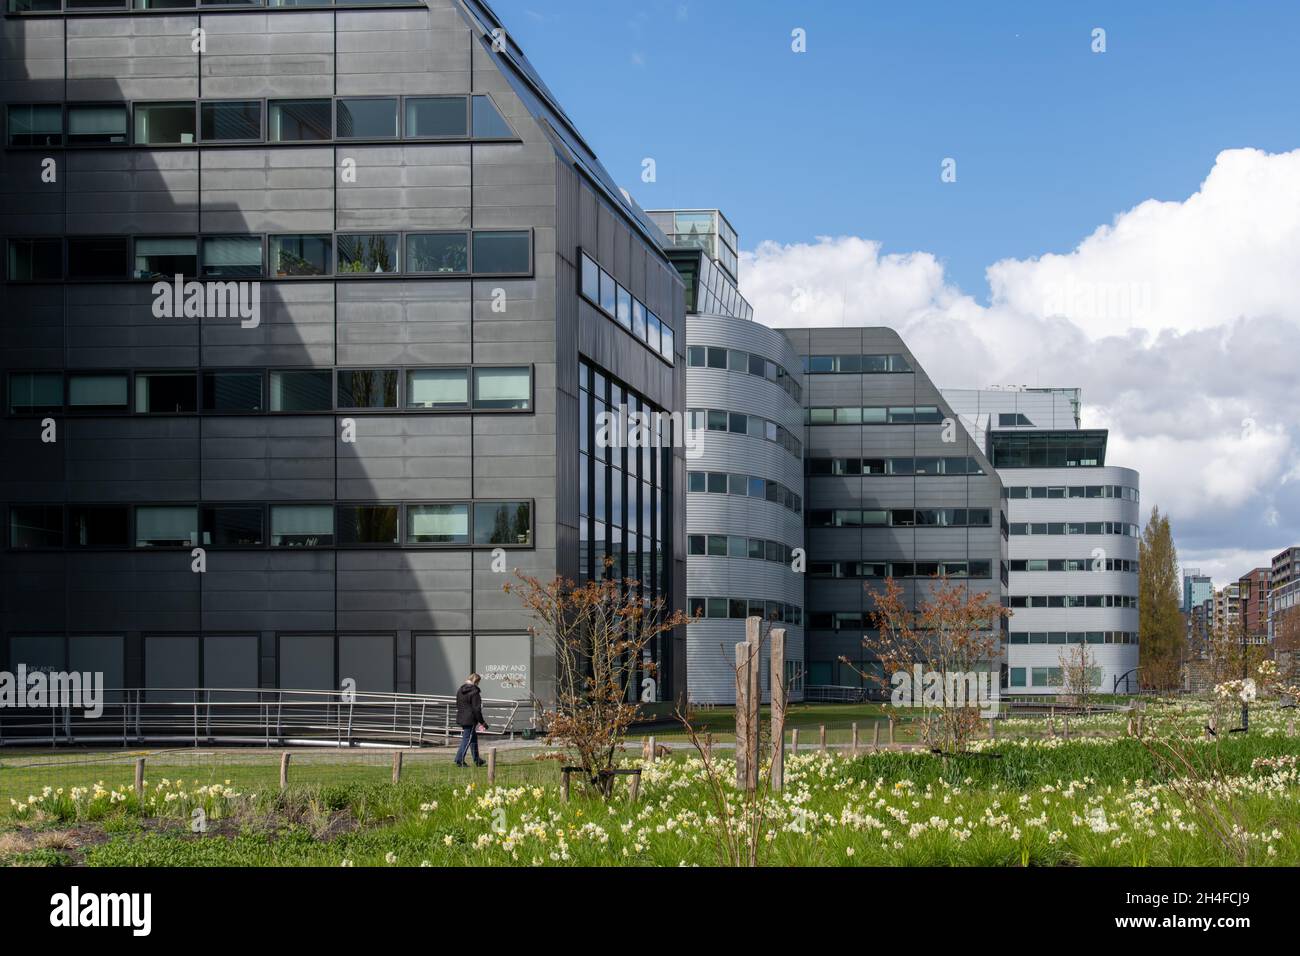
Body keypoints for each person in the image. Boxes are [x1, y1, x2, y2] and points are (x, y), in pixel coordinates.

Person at [454, 673, 488, 767]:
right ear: (476, 681)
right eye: (478, 682)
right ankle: (459, 760)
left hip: (462, 717)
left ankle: (477, 760)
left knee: (472, 739)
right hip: (470, 719)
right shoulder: (474, 692)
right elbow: (477, 709)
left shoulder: (460, 690)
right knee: (467, 739)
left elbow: (458, 704)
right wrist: (482, 722)